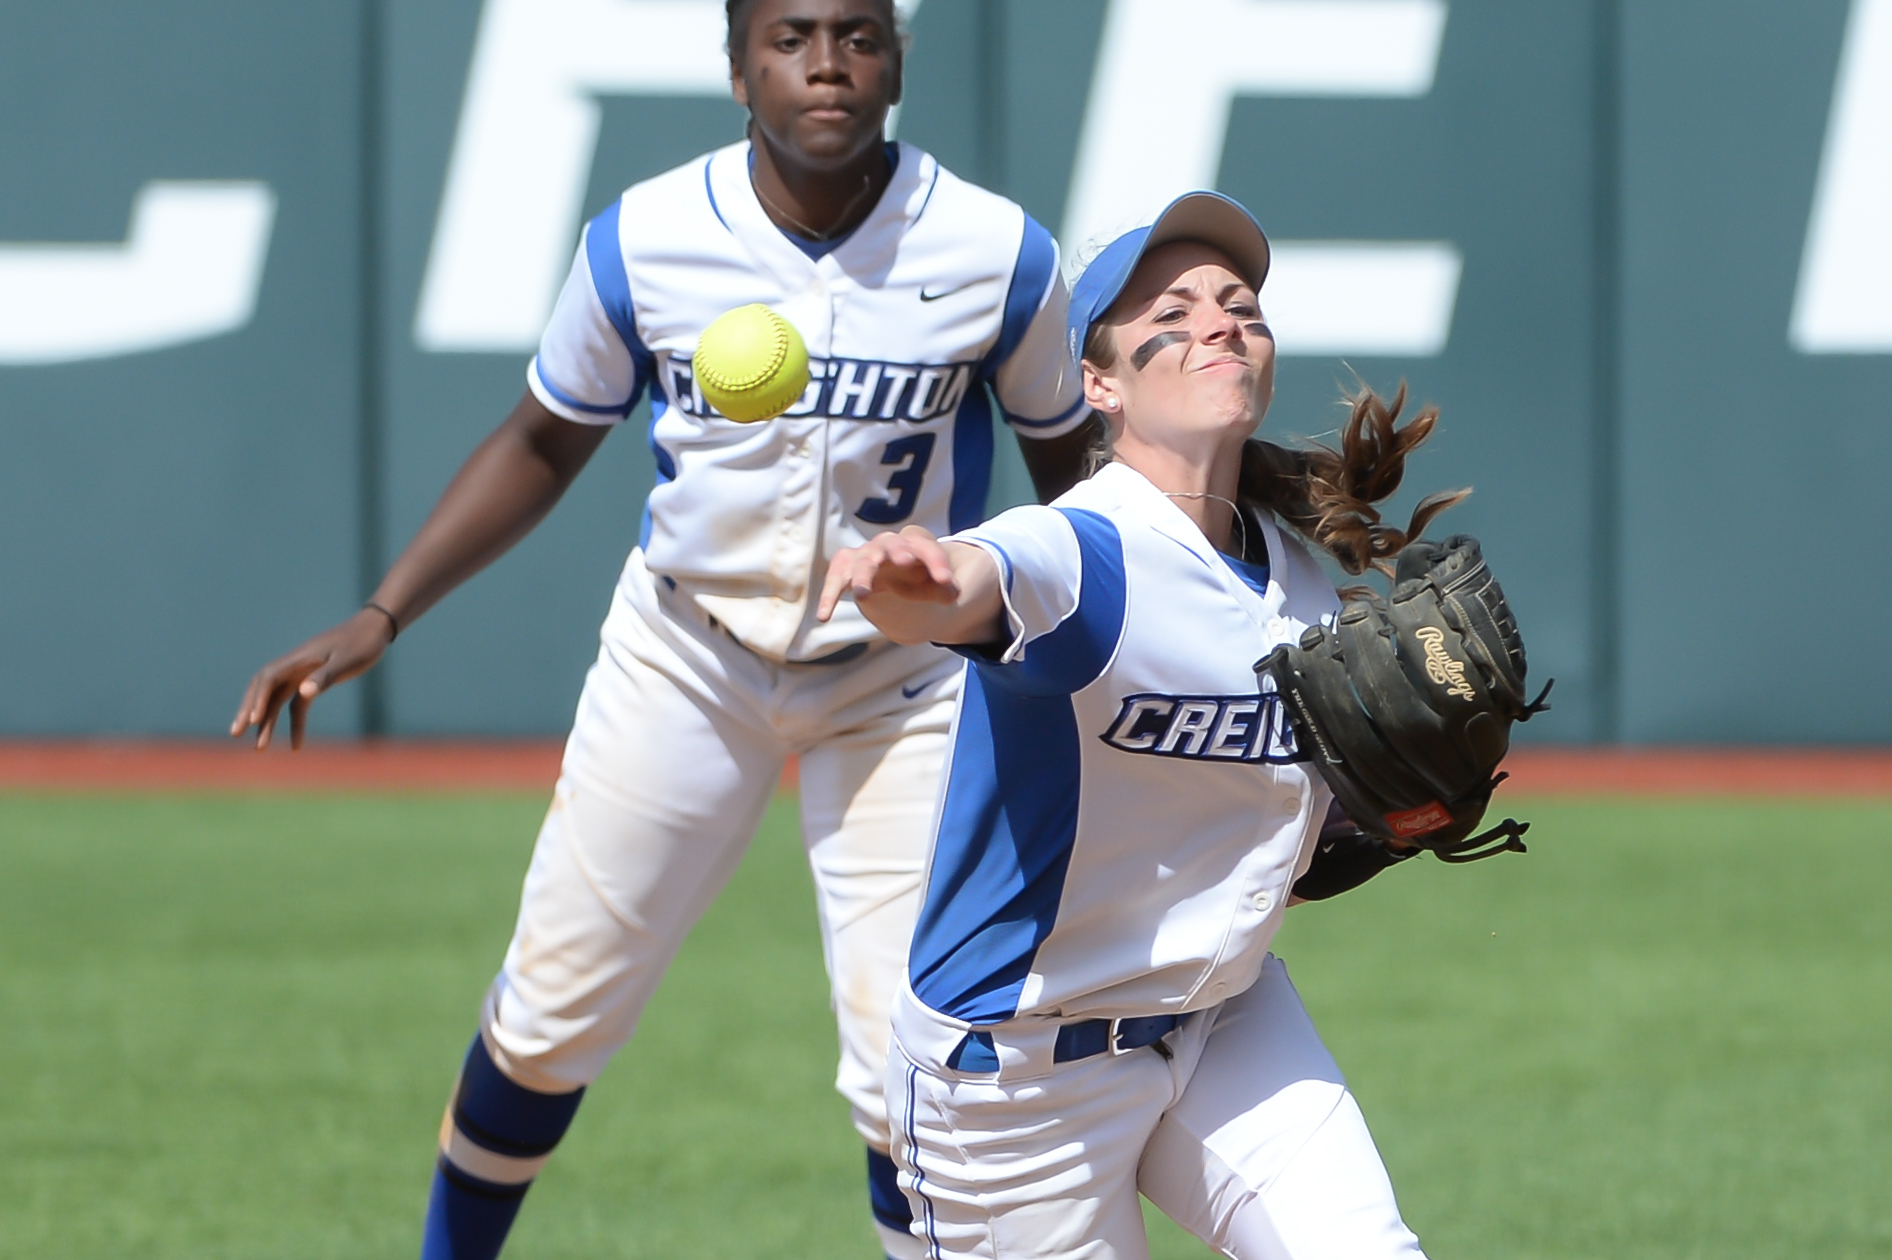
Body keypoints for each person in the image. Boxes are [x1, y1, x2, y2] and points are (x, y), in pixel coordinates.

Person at [230, 3, 1094, 1257]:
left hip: (903, 684)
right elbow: (542, 438)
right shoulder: (647, 237)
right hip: (687, 658)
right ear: (738, 67)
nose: (826, 64)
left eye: (857, 35)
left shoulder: (994, 251)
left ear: (897, 61)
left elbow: (1073, 471)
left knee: (909, 1063)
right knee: (550, 1018)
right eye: (790, 36)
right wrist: (384, 611)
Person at [817, 191, 1459, 1259]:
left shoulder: (1302, 582)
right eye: (1173, 311)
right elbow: (977, 582)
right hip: (1017, 1080)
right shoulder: (1080, 552)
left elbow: (1269, 844)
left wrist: (1392, 815)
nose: (1220, 323)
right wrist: (912, 581)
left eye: (1240, 306)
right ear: (1100, 383)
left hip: (1226, 1021)